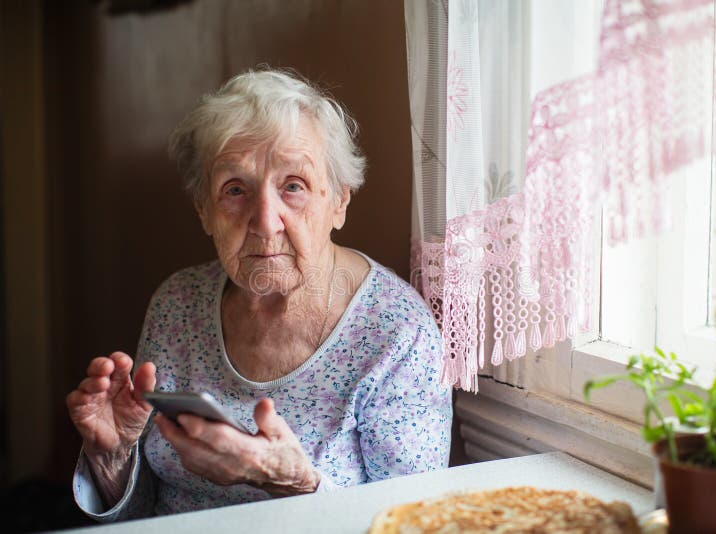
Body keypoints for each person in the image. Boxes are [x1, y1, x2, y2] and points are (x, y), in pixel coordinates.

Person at [66, 68, 452, 521]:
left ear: (340, 201)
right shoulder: (177, 305)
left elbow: (414, 527)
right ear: (203, 211)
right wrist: (113, 456)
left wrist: (297, 485)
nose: (265, 220)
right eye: (235, 190)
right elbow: (148, 507)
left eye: (293, 186)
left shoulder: (396, 332)